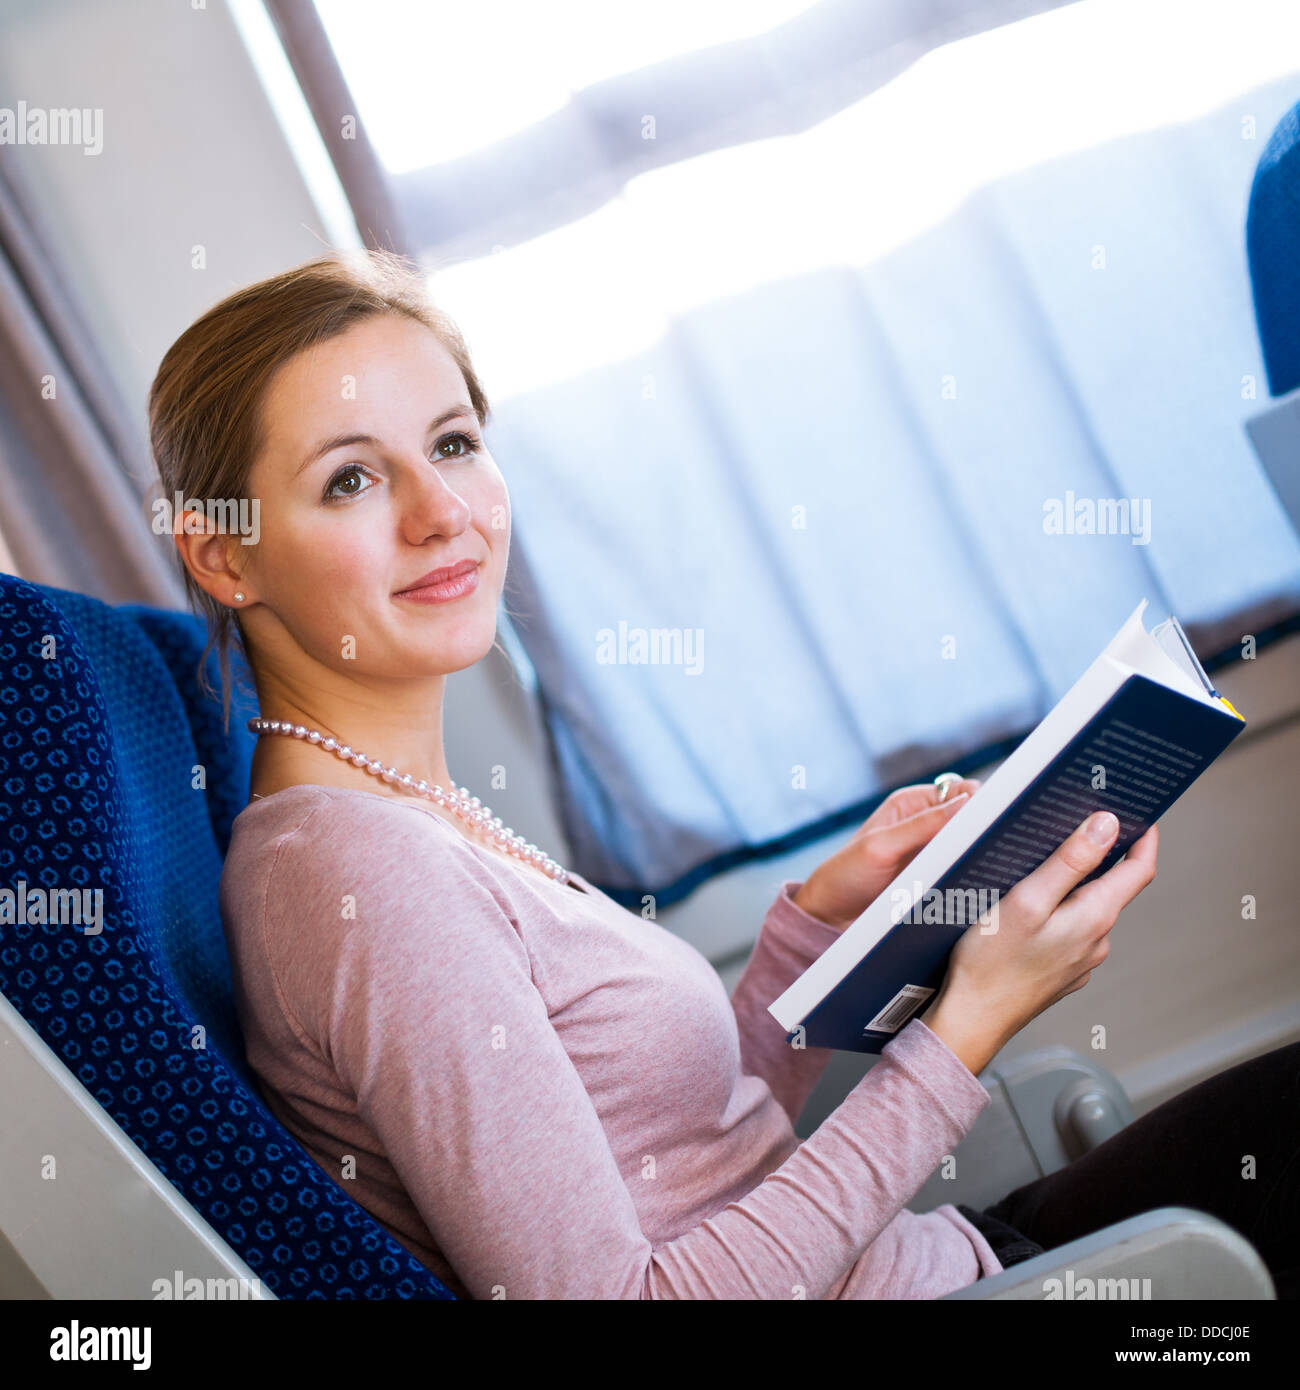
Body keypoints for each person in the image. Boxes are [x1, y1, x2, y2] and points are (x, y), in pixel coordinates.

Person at [153, 248, 1295, 1299]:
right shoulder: (363, 877)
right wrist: (966, 1028)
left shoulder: (398, 812)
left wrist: (814, 921)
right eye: (352, 479)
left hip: (953, 1259)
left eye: (453, 444)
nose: (441, 512)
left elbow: (681, 1156)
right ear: (223, 552)